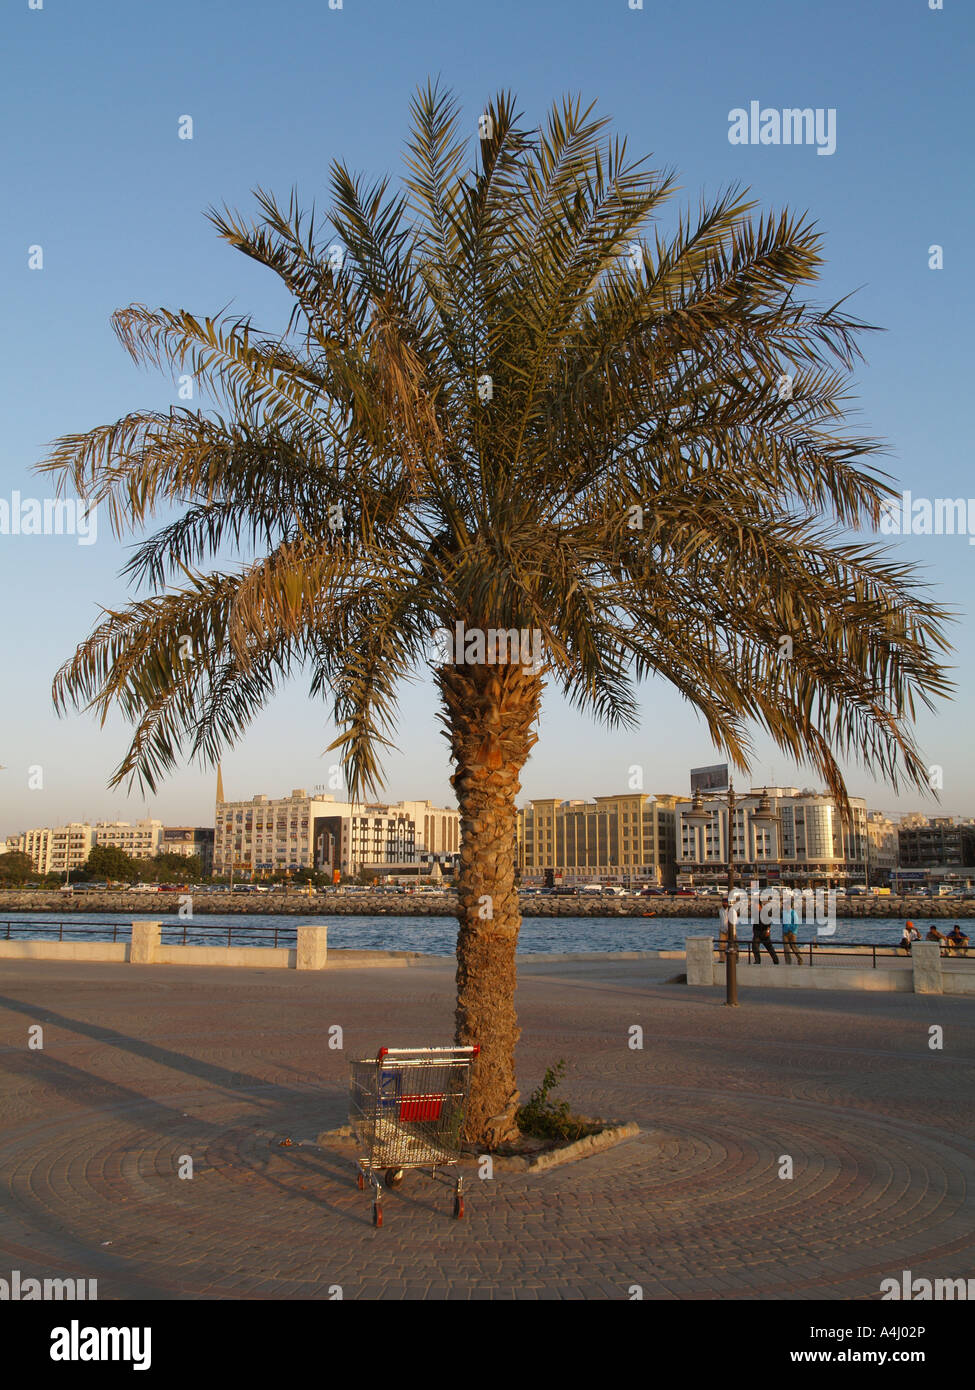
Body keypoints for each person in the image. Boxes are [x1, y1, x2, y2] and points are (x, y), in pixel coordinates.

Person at [718, 895, 738, 960]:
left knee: (734, 945)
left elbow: (734, 920)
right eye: (723, 902)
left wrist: (731, 929)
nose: (724, 903)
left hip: (731, 931)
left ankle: (736, 959)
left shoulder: (732, 910)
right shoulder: (721, 910)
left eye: (725, 902)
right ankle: (722, 959)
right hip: (722, 930)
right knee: (721, 945)